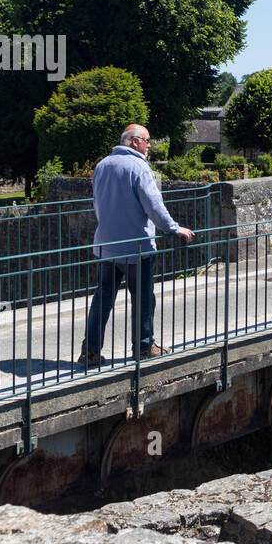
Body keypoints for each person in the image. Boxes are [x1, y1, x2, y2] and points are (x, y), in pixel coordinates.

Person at [78, 124, 194, 366]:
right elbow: (153, 205)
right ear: (135, 141)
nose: (150, 146)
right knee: (143, 299)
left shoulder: (102, 165)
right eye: (148, 141)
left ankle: (90, 350)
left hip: (106, 245)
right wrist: (174, 228)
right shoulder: (139, 167)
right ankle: (143, 347)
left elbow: (98, 203)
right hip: (136, 247)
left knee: (103, 297)